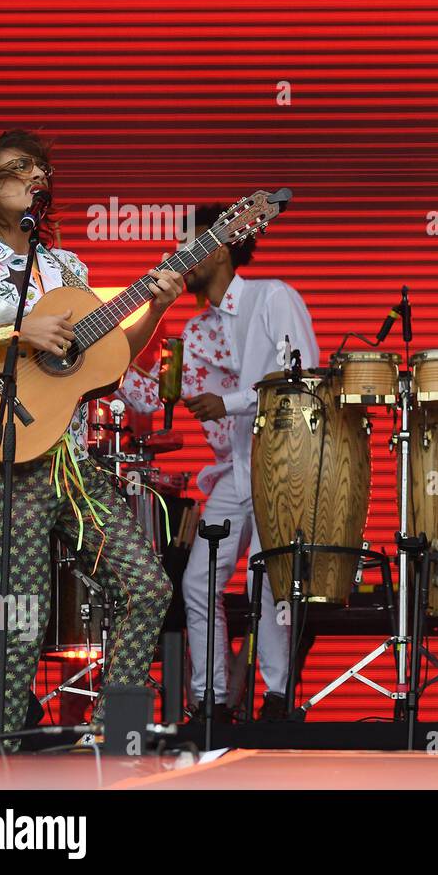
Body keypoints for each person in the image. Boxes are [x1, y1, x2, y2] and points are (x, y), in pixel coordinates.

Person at [0, 129, 180, 746]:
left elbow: (107, 359)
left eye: (39, 167)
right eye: (17, 169)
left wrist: (152, 309)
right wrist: (14, 334)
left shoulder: (68, 268)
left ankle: (115, 732)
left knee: (149, 587)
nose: (34, 175)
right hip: (8, 460)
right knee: (24, 613)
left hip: (72, 461)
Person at [119, 203, 319, 721]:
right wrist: (103, 362)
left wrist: (227, 404)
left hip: (282, 461)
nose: (183, 255)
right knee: (200, 579)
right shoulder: (197, 330)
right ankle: (210, 701)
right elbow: (152, 397)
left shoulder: (271, 296)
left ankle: (277, 698)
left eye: (194, 245)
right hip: (236, 467)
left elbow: (301, 375)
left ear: (223, 248)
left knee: (270, 580)